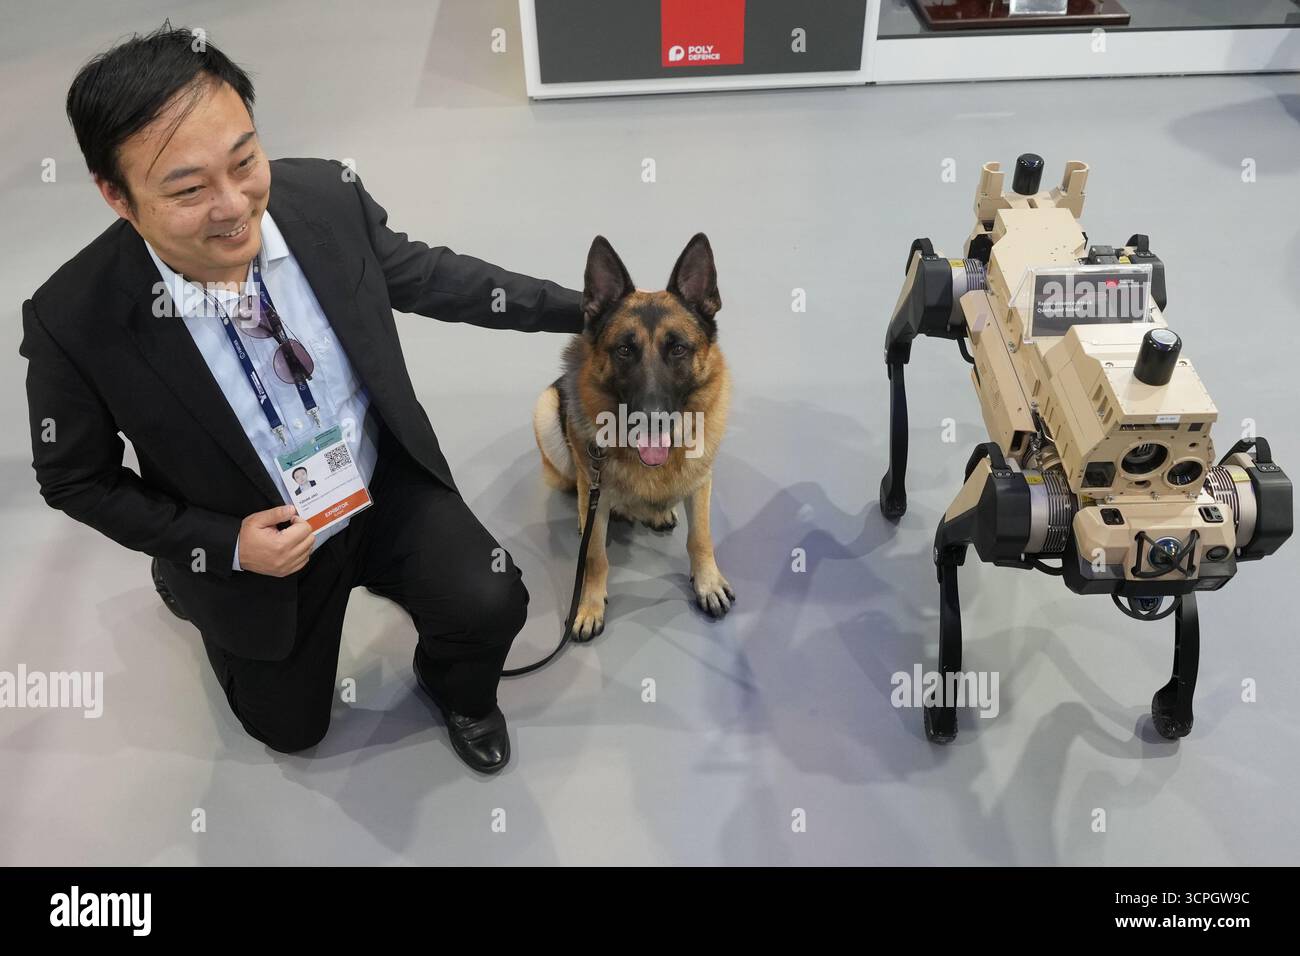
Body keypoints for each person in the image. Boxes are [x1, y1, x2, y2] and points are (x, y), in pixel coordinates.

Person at [19, 26, 584, 774]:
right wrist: (218, 544)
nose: (235, 207)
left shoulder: (323, 196)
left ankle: (459, 692)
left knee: (490, 599)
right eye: (188, 190)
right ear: (116, 196)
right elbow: (73, 479)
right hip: (256, 533)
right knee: (288, 731)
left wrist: (592, 312)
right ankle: (181, 579)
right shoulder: (73, 318)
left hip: (377, 476)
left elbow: (433, 276)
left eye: (245, 160)